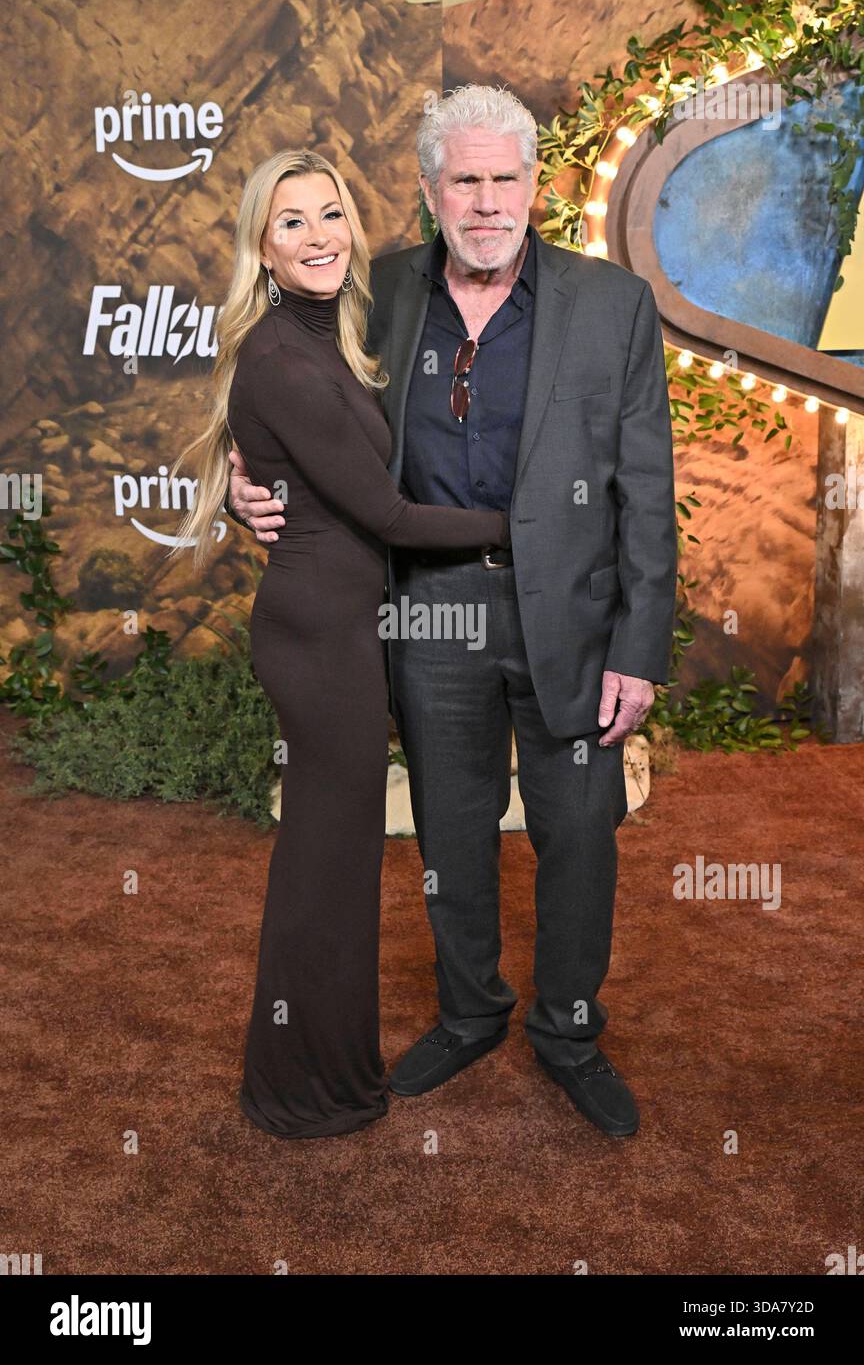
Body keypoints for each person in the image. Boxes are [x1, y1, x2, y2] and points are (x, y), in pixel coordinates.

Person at [229, 85, 678, 1138]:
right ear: (431, 193)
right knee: (451, 830)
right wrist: (248, 493)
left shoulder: (611, 306)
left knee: (578, 832)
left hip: (570, 615)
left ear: (537, 186)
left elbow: (646, 494)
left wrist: (640, 648)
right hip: (428, 614)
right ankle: (471, 1010)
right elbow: (289, 408)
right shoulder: (371, 291)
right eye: (464, 180)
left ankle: (569, 1031)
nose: (486, 202)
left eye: (504, 178)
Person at [169, 149, 509, 1140]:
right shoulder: (281, 357)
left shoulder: (324, 338)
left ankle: (315, 1072)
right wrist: (515, 523)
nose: (319, 236)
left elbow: (313, 488)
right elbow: (389, 516)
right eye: (291, 224)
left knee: (335, 864)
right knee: (326, 868)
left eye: (331, 215)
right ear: (260, 251)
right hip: (321, 643)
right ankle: (302, 1088)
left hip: (340, 630)